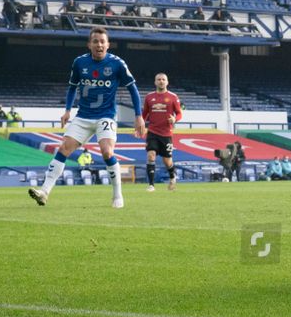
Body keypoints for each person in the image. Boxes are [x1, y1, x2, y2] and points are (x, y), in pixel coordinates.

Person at [28, 28, 145, 209]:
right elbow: (72, 87)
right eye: (95, 41)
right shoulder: (80, 62)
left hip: (106, 116)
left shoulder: (117, 64)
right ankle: (44, 192)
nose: (99, 45)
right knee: (63, 148)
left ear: (108, 44)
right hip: (83, 116)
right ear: (89, 44)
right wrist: (67, 110)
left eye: (102, 41)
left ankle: (117, 195)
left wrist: (139, 116)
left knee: (107, 152)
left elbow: (133, 89)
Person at [142, 73, 183, 192]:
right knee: (151, 155)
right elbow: (144, 114)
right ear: (155, 82)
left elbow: (179, 113)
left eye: (163, 79)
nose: (161, 81)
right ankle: (151, 185)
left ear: (167, 82)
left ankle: (172, 177)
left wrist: (175, 119)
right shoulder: (149, 97)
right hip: (152, 132)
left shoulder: (173, 97)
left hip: (166, 133)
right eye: (159, 79)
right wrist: (140, 125)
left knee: (167, 160)